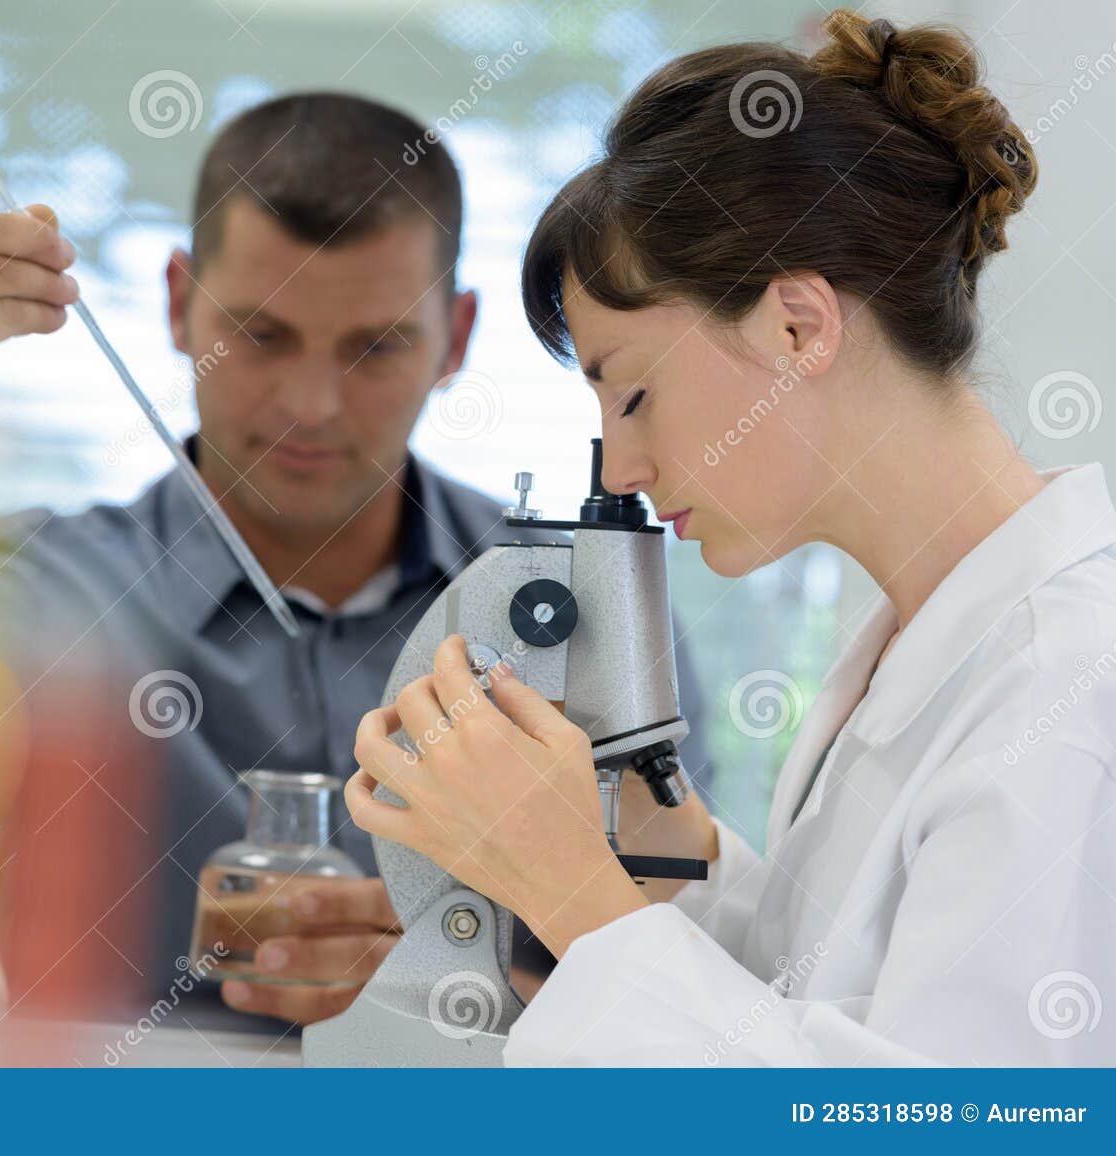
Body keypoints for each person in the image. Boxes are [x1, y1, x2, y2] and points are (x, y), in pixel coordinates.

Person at [0, 90, 716, 1027]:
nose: (312, 406)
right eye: (260, 335)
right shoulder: (46, 578)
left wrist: (468, 988)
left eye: (374, 347)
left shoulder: (575, 609)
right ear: (179, 304)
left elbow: (687, 936)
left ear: (454, 339)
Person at [347, 9, 1116, 1065]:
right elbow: (820, 1012)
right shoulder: (912, 646)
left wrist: (562, 884)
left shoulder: (1073, 684)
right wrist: (679, 854)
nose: (619, 468)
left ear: (798, 326)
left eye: (633, 393)